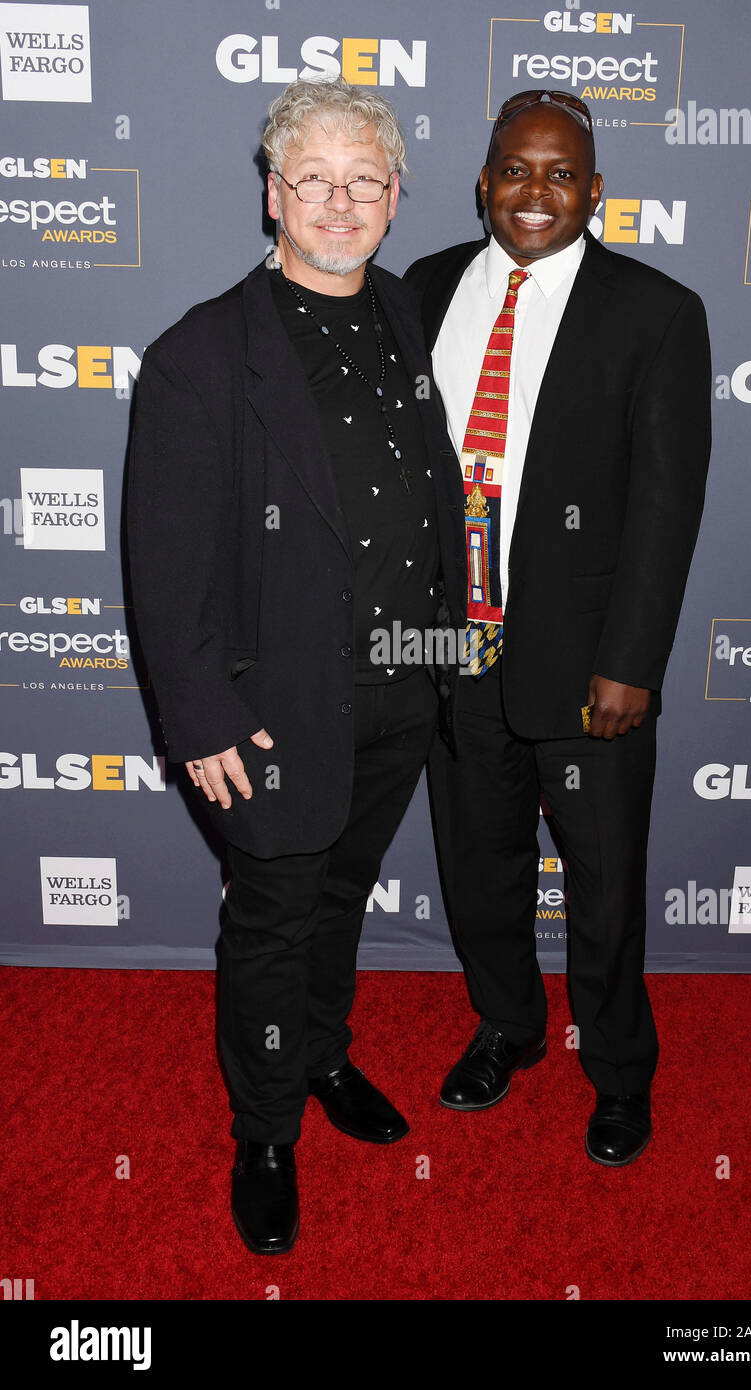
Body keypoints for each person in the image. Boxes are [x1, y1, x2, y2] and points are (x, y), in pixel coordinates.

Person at [126, 77, 466, 1254]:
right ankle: (264, 1129)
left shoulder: (406, 316)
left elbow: (430, 505)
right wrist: (202, 716)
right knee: (271, 920)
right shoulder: (200, 355)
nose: (338, 201)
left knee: (337, 898)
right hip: (268, 712)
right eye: (312, 178)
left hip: (396, 692)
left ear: (393, 198)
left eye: (362, 180)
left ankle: (322, 1054)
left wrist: (443, 658)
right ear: (272, 194)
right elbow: (164, 567)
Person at [404, 89, 711, 1166]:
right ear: (483, 181)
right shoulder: (426, 287)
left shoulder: (655, 312)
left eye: (561, 173)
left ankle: (619, 1071)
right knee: (477, 866)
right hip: (454, 651)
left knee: (603, 885)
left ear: (593, 190)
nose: (536, 192)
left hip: (585, 668)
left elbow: (665, 508)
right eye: (515, 171)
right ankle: (508, 1026)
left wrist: (629, 663)